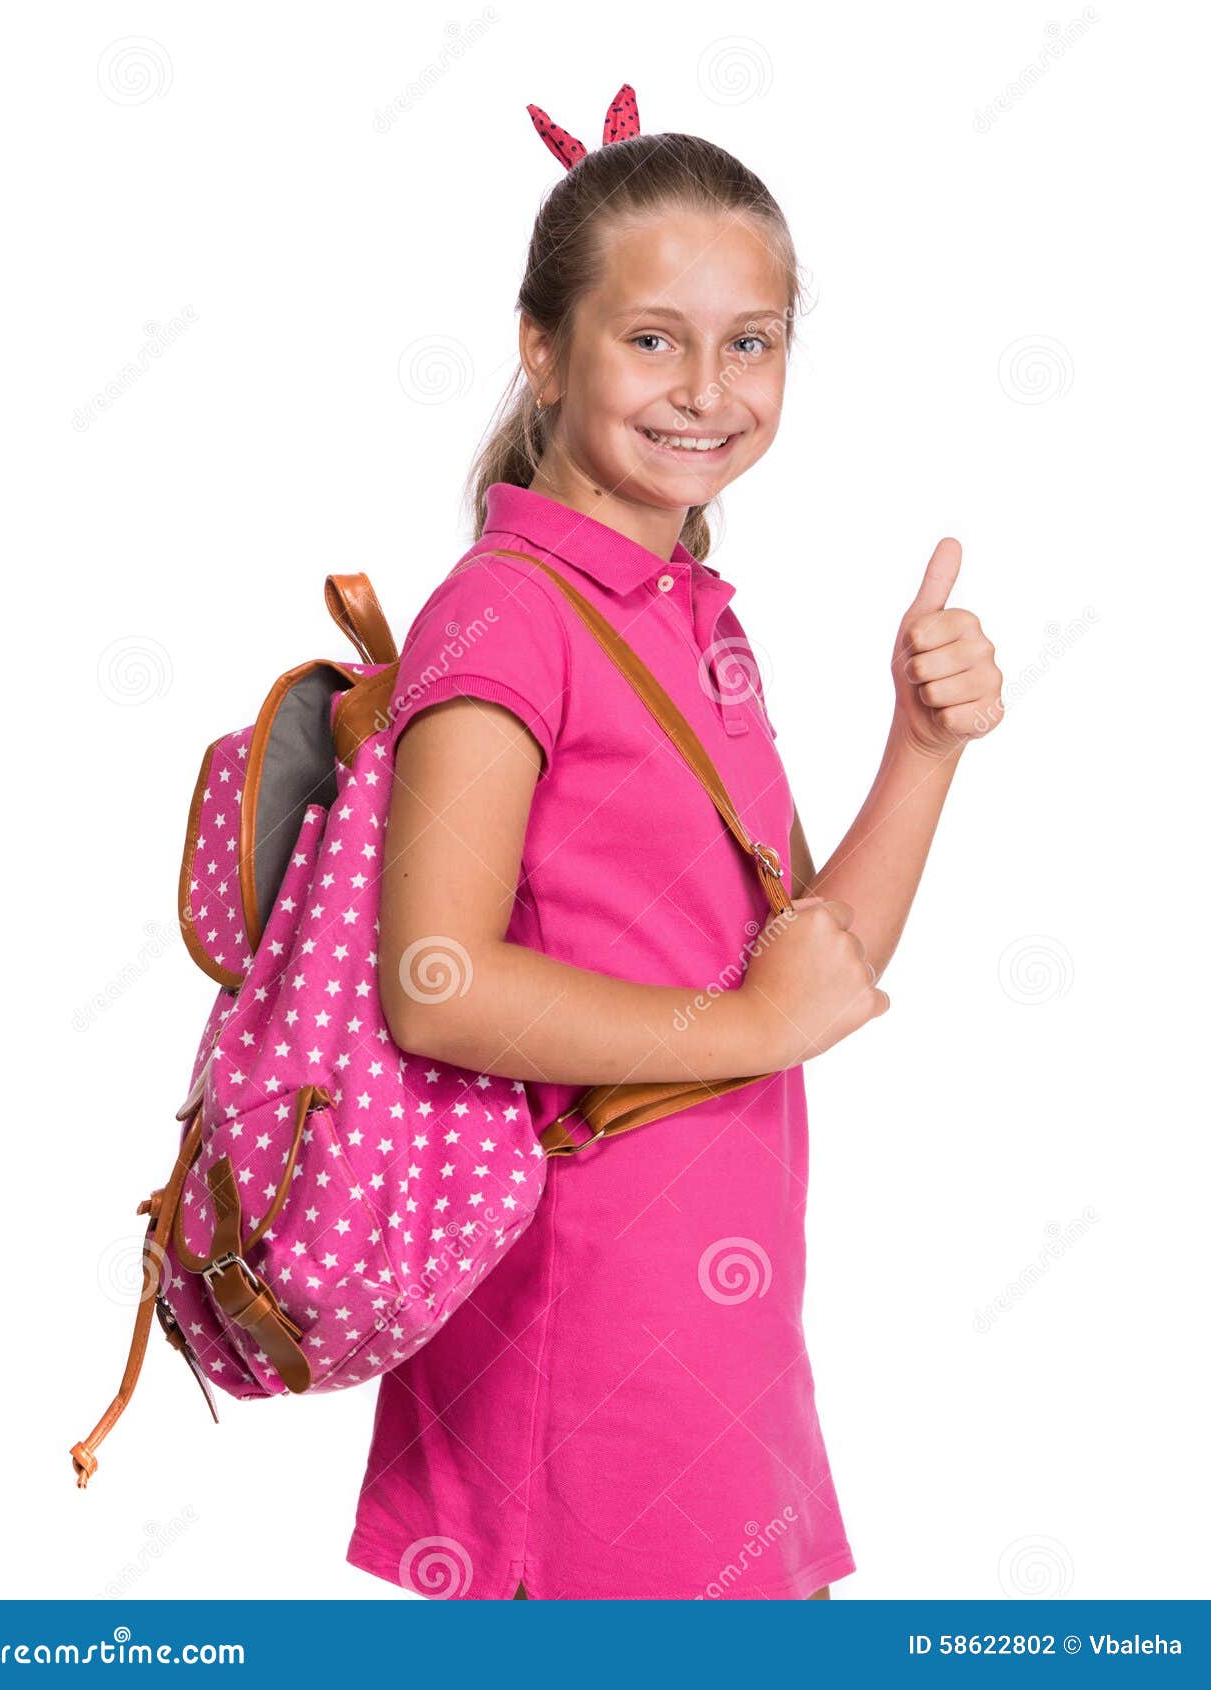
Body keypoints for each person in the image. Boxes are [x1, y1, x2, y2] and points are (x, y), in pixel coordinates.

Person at [344, 83, 1004, 1602]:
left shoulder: (678, 615)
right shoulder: (510, 614)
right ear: (540, 346)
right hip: (586, 1334)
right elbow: (433, 981)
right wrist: (751, 1022)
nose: (706, 385)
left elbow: (813, 969)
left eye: (750, 340)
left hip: (717, 1319)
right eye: (652, 336)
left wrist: (920, 744)